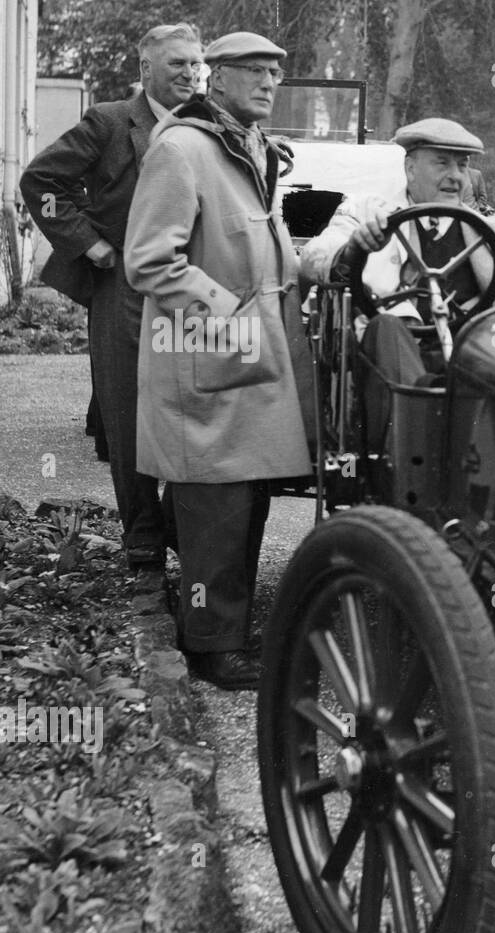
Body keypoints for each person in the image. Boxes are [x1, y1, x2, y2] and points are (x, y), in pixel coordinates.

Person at [124, 31, 314, 690]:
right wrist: (231, 320)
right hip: (206, 360)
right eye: (254, 71)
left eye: (275, 73)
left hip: (247, 362)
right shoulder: (182, 149)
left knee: (242, 502)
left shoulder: (251, 146)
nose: (269, 83)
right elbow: (150, 260)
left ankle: (220, 624)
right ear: (219, 79)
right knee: (218, 505)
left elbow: (258, 241)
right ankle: (209, 644)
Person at [21, 23, 204, 570]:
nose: (191, 75)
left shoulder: (209, 124)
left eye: (196, 65)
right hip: (124, 282)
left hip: (190, 283)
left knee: (194, 403)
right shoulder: (109, 121)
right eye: (178, 65)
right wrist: (92, 245)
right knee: (127, 410)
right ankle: (144, 536)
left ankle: (175, 524)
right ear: (147, 70)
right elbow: (40, 183)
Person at [300, 117, 495, 457]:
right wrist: (354, 247)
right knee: (387, 327)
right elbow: (313, 257)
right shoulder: (369, 212)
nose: (455, 176)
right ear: (410, 168)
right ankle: (419, 444)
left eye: (462, 165)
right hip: (393, 355)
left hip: (471, 356)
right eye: (442, 163)